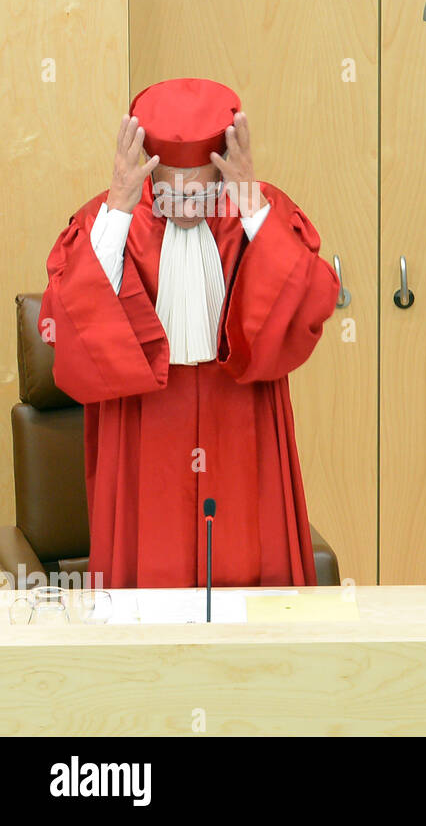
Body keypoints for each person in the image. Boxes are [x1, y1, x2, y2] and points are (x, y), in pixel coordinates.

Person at [40, 77, 338, 588]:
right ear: (148, 173)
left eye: (199, 191)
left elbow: (310, 301)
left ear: (224, 169)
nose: (184, 206)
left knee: (249, 577)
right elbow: (65, 324)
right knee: (147, 588)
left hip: (241, 420)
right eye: (169, 192)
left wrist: (251, 209)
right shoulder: (108, 216)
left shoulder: (258, 209)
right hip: (142, 425)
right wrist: (117, 207)